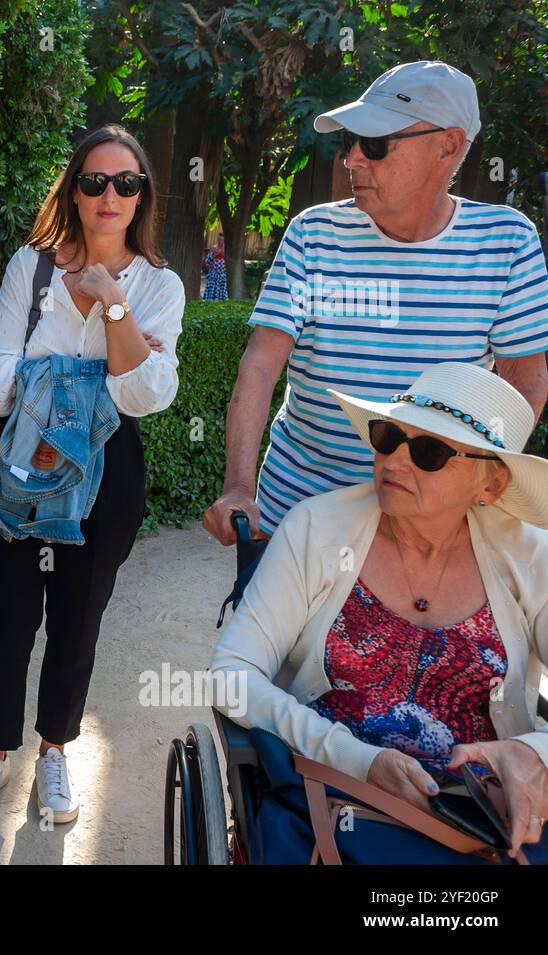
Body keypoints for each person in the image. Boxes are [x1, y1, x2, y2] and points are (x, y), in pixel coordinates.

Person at [211, 362, 548, 864]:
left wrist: (533, 754)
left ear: (492, 485)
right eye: (388, 435)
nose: (395, 460)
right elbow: (230, 675)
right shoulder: (316, 530)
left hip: (484, 818)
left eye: (430, 451)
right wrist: (358, 759)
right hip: (335, 808)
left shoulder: (530, 556)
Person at [203, 60, 548, 547]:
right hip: (298, 514)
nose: (352, 159)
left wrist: (475, 481)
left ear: (447, 146)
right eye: (351, 142)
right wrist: (238, 487)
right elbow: (261, 365)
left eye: (375, 143)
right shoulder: (313, 233)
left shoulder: (506, 242)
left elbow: (525, 383)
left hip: (428, 528)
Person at [0, 124, 186, 825]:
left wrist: (111, 300)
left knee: (78, 622)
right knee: (6, 613)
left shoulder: (160, 285)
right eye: (94, 181)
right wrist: (110, 363)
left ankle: (54, 748)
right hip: (22, 464)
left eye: (126, 183)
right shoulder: (31, 269)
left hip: (107, 473)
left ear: (142, 194)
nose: (109, 195)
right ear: (74, 190)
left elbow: (149, 395)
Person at [202, 234, 228, 299]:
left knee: (221, 288)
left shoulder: (226, 250)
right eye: (219, 240)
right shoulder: (214, 248)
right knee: (212, 288)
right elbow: (207, 261)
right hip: (213, 273)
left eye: (221, 240)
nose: (220, 242)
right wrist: (214, 255)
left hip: (222, 274)